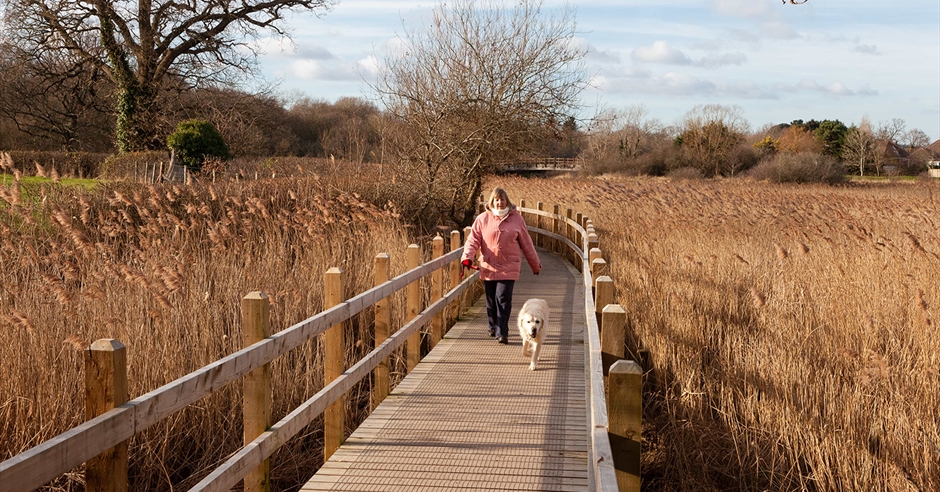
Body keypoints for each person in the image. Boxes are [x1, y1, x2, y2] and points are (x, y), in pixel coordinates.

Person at [461, 187, 541, 344]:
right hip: (488, 265)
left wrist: (535, 264)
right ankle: (493, 326)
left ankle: (502, 331)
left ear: (507, 201)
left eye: (502, 199)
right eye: (496, 200)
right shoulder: (482, 219)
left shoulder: (517, 219)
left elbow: (527, 243)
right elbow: (473, 240)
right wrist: (467, 257)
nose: (499, 202)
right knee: (491, 299)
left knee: (503, 297)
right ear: (492, 201)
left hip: (509, 266)